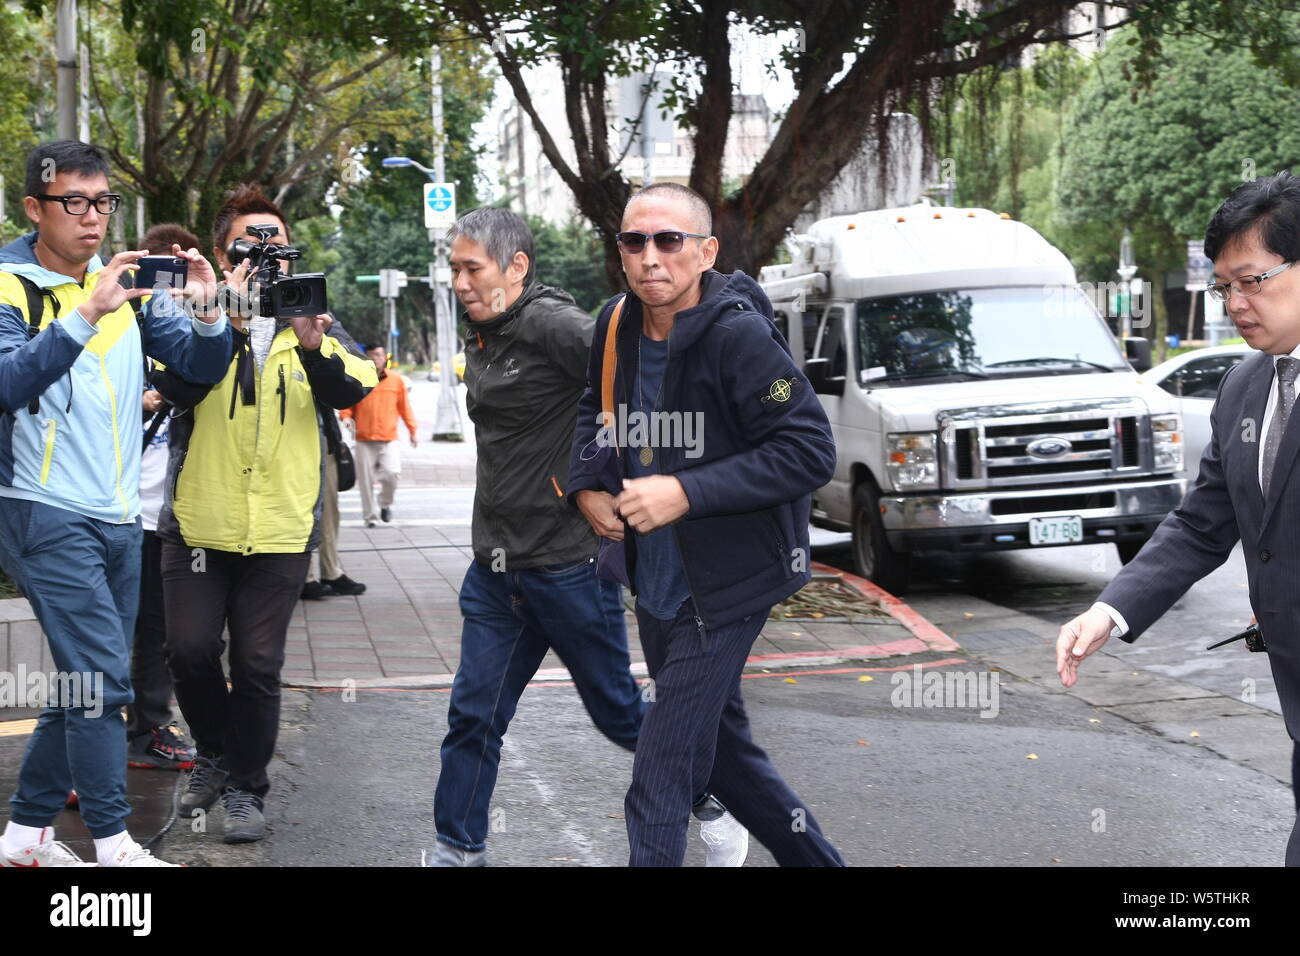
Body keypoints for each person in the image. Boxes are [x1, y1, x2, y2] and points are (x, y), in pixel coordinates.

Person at [431, 206, 746, 866]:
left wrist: (603, 480)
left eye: (471, 268)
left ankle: (715, 800)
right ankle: (459, 850)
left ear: (516, 267)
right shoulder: (482, 329)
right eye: (453, 268)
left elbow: (630, 380)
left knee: (621, 716)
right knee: (473, 715)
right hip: (495, 567)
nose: (458, 281)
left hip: (567, 565)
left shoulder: (554, 324)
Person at [568, 182, 845, 866]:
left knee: (660, 772)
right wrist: (584, 488)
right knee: (724, 757)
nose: (651, 257)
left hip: (727, 584)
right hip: (655, 581)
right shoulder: (614, 325)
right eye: (635, 241)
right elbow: (592, 412)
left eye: (669, 240)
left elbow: (809, 450)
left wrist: (685, 491)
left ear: (705, 251)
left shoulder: (737, 335)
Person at [1057, 170, 1300, 867]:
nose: (1235, 304)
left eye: (1252, 280)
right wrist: (1110, 611)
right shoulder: (1244, 386)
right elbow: (1201, 524)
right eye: (1224, 287)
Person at [0, 140, 231, 867]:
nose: (91, 218)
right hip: (40, 508)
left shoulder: (120, 283)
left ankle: (24, 837)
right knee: (103, 678)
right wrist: (84, 315)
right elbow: (6, 381)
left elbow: (197, 367)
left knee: (81, 679)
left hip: (118, 514)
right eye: (74, 202)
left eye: (101, 202)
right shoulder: (11, 286)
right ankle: (111, 841)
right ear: (35, 208)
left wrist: (208, 312)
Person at [155, 184, 376, 844]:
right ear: (222, 255)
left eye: (276, 243)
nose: (266, 256)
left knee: (256, 665)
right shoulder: (193, 313)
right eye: (251, 245)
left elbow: (359, 383)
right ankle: (218, 749)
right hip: (199, 523)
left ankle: (246, 786)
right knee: (190, 652)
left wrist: (312, 342)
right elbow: (175, 381)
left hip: (280, 528)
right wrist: (219, 317)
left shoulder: (312, 315)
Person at [127, 222, 204, 771]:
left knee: (158, 628)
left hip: (168, 512)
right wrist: (145, 399)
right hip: (115, 505)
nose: (166, 287)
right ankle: (98, 743)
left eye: (175, 274)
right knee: (109, 629)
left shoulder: (203, 325)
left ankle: (149, 727)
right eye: (157, 273)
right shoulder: (122, 321)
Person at [340, 343, 417, 527]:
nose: (375, 358)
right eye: (371, 355)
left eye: (378, 355)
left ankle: (385, 504)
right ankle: (370, 517)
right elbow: (347, 404)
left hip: (389, 438)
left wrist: (412, 430)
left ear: (385, 357)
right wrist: (346, 417)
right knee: (365, 483)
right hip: (363, 439)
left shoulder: (396, 380)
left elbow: (404, 408)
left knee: (392, 474)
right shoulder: (358, 379)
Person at [301, 405, 366, 599]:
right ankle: (305, 577)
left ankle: (330, 572)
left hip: (325, 439)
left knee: (329, 512)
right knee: (301, 512)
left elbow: (342, 393)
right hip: (293, 445)